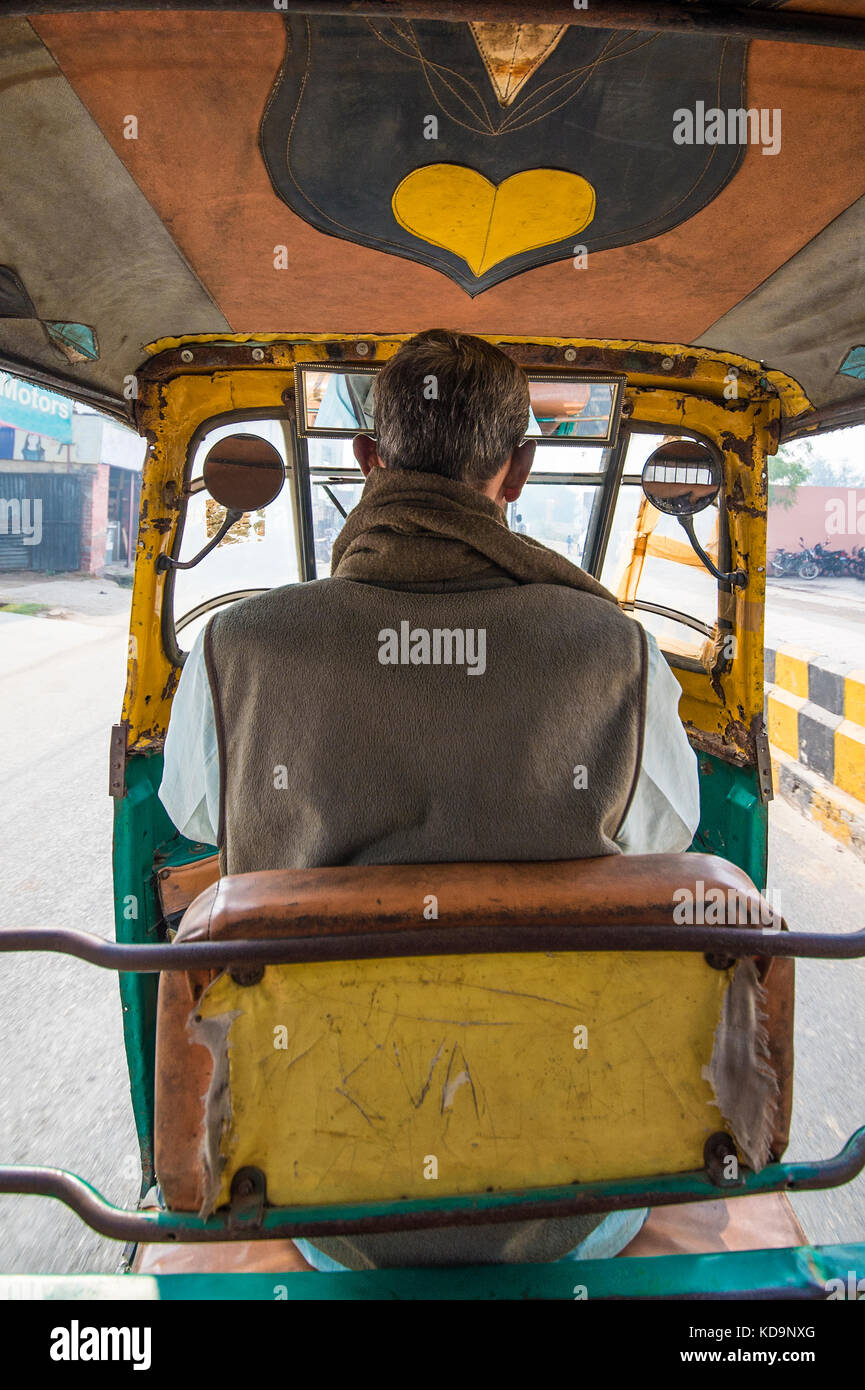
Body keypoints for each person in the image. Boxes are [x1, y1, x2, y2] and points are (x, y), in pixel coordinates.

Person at [159, 329, 700, 1272]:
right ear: (519, 471)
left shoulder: (234, 648)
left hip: (329, 1201)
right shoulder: (619, 652)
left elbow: (198, 820)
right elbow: (665, 837)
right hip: (578, 1195)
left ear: (370, 462)